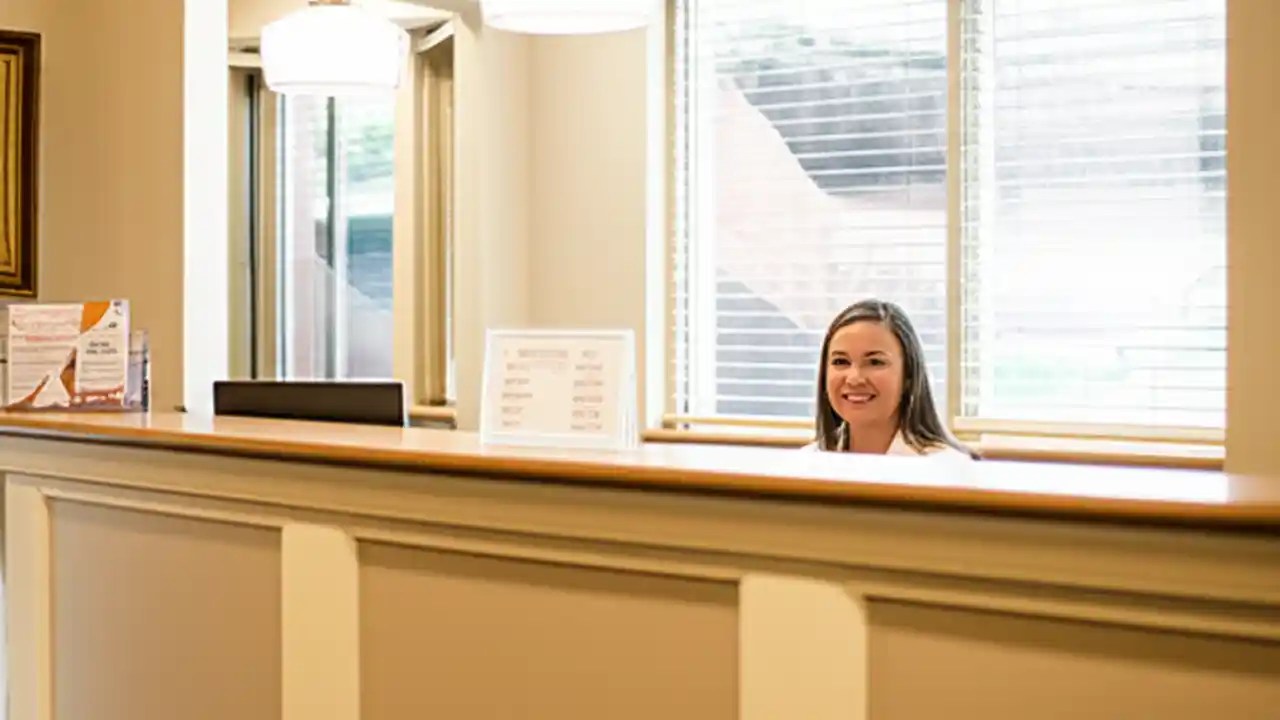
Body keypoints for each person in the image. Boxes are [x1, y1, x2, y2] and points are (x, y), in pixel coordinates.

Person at [803, 299, 977, 459]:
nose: (854, 378)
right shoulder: (805, 464)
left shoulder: (946, 468)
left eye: (875, 362)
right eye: (841, 361)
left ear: (909, 375)